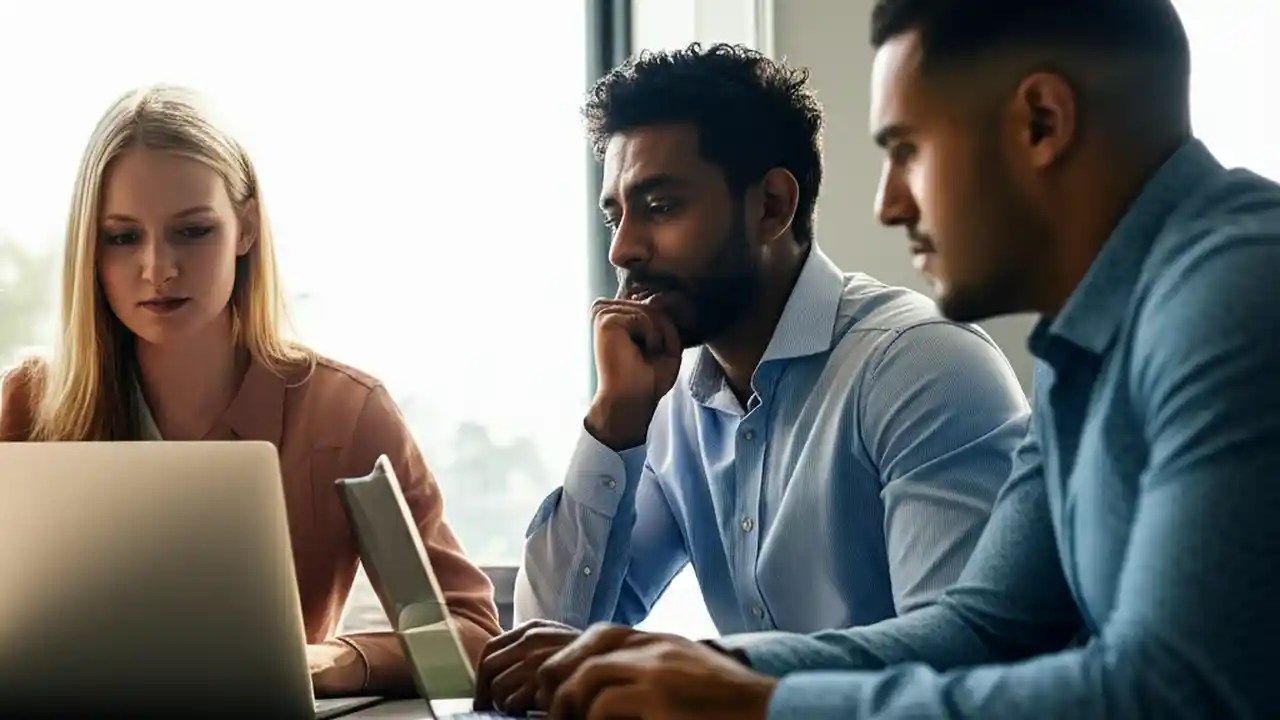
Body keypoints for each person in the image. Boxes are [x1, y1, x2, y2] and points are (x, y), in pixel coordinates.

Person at [520, 1, 1280, 718]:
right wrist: (721, 674)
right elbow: (983, 628)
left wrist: (760, 705)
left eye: (907, 151)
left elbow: (1175, 696)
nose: (889, 205)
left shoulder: (1239, 297)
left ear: (1042, 122)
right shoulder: (1088, 343)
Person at [474, 43, 1030, 714]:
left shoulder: (923, 367)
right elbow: (551, 639)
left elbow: (964, 664)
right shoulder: (669, 398)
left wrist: (704, 668)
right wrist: (613, 424)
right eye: (615, 214)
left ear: (770, 206)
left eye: (660, 205)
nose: (623, 249)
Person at [0, 85, 501, 698]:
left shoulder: (345, 413)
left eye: (192, 231)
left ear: (247, 227)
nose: (158, 268)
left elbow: (470, 632)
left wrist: (327, 661)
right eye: (123, 237)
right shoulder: (28, 405)